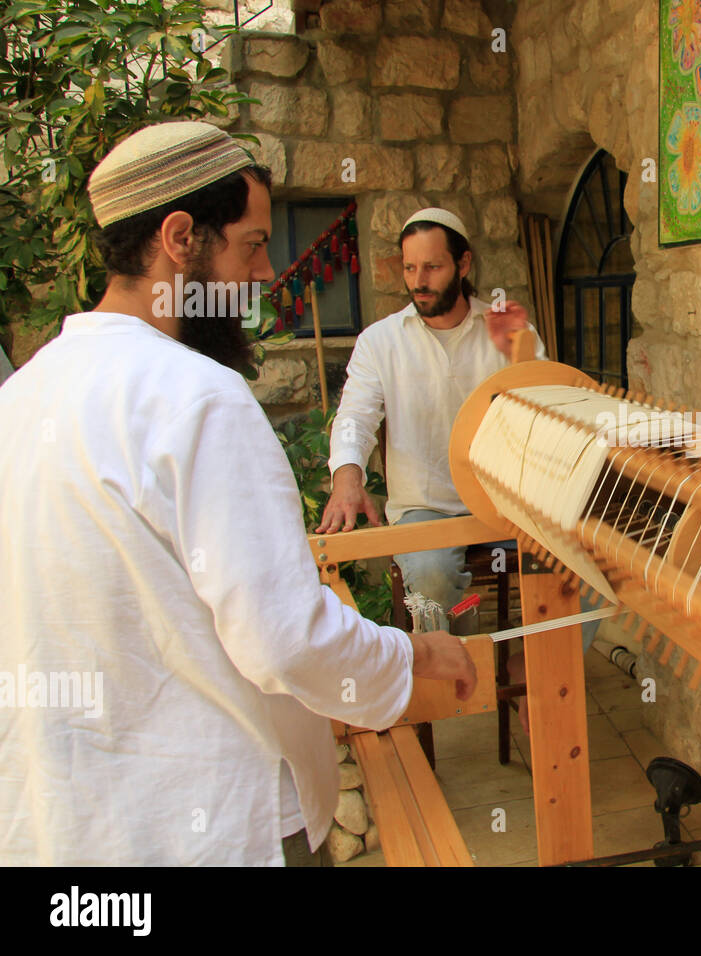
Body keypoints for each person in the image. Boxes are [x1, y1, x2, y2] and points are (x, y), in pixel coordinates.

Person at [0, 121, 475, 866]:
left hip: (66, 832)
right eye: (253, 246)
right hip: (211, 823)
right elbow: (286, 639)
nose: (265, 274)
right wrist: (414, 654)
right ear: (180, 237)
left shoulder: (21, 397)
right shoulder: (199, 397)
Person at [317, 208, 599, 731]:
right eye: (409, 269)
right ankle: (465, 660)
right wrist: (348, 478)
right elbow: (355, 416)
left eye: (433, 268)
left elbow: (550, 405)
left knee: (592, 564)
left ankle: (527, 666)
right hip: (425, 507)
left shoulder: (506, 326)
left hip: (505, 502)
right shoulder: (381, 341)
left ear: (464, 263)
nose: (419, 283)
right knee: (431, 579)